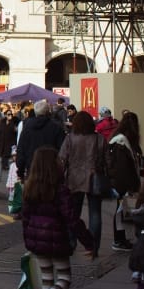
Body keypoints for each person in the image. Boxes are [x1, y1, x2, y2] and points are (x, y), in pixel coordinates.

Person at [21, 146, 96, 289]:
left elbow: (25, 217)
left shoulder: (29, 188)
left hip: (37, 241)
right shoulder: (60, 190)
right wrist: (88, 241)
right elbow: (72, 218)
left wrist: (28, 240)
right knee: (64, 278)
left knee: (48, 279)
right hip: (56, 240)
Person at [58, 110, 104, 258]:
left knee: (73, 213)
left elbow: (62, 159)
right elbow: (106, 159)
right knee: (95, 213)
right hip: (94, 178)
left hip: (73, 179)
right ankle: (93, 247)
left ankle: (71, 243)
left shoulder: (70, 138)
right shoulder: (99, 139)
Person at [107, 111, 143, 252]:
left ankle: (120, 239)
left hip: (118, 182)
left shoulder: (119, 139)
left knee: (120, 212)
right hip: (121, 183)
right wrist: (131, 185)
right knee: (120, 212)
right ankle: (118, 240)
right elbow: (123, 167)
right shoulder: (122, 142)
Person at [15, 99, 64, 181]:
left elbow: (21, 149)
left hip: (32, 167)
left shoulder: (27, 127)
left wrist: (20, 170)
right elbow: (61, 149)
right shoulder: (56, 127)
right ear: (48, 111)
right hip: (50, 168)